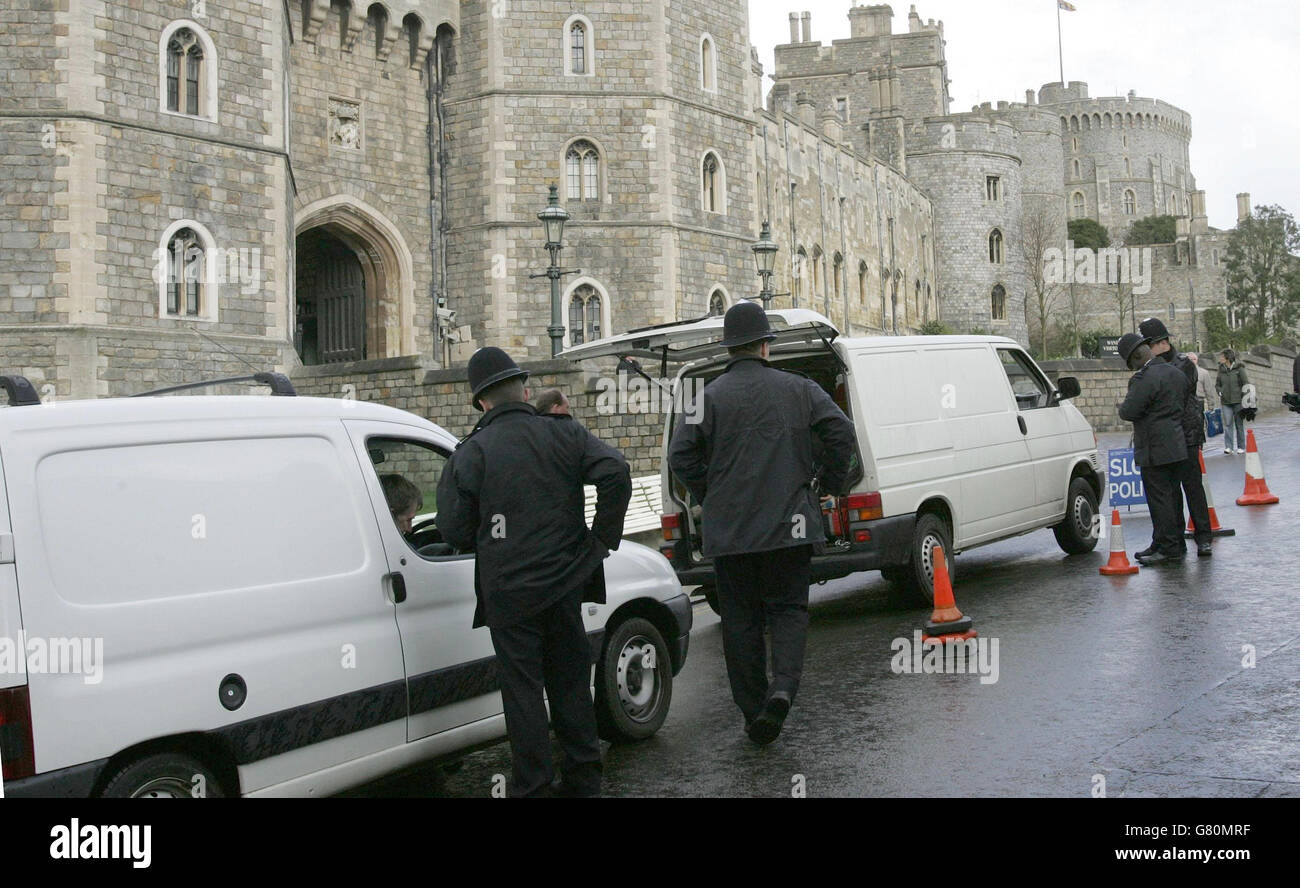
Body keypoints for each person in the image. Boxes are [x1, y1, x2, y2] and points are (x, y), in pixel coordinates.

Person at [436, 347, 631, 797]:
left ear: (482, 401)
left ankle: (534, 786)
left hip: (509, 596)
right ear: (524, 390)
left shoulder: (472, 453)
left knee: (522, 694)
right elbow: (616, 471)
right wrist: (600, 541)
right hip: (564, 586)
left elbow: (453, 528)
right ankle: (584, 780)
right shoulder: (564, 435)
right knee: (570, 685)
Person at [667, 302, 856, 745]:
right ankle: (784, 690)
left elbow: (681, 456)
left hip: (730, 534)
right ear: (766, 345)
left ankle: (753, 710)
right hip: (789, 525)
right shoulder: (801, 389)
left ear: (730, 349)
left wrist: (711, 494)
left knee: (740, 620)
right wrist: (829, 483)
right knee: (789, 610)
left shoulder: (704, 399)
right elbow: (841, 434)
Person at [1138, 319, 1211, 558]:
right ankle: (1172, 541)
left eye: (1148, 344)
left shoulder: (1182, 365)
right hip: (1166, 437)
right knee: (1169, 492)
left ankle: (1203, 537)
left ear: (1161, 343)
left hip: (1186, 434)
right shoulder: (1151, 368)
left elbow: (1167, 395)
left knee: (1192, 487)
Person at [1117, 332, 1189, 566]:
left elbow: (1128, 411)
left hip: (1154, 447)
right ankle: (1171, 541)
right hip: (1176, 444)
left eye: (1130, 363)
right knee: (1174, 496)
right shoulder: (1176, 373)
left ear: (1137, 356)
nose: (1131, 368)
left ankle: (1168, 548)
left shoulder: (1144, 379)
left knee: (1160, 500)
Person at [1215, 349, 1250, 454]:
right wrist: (1220, 391)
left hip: (1238, 401)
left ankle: (1241, 446)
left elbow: (1246, 384)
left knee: (1239, 424)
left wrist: (1245, 398)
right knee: (1228, 423)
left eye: (1221, 357)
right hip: (1226, 402)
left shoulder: (1239, 369)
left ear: (1227, 358)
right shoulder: (1220, 369)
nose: (1220, 358)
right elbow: (1217, 384)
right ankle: (1229, 447)